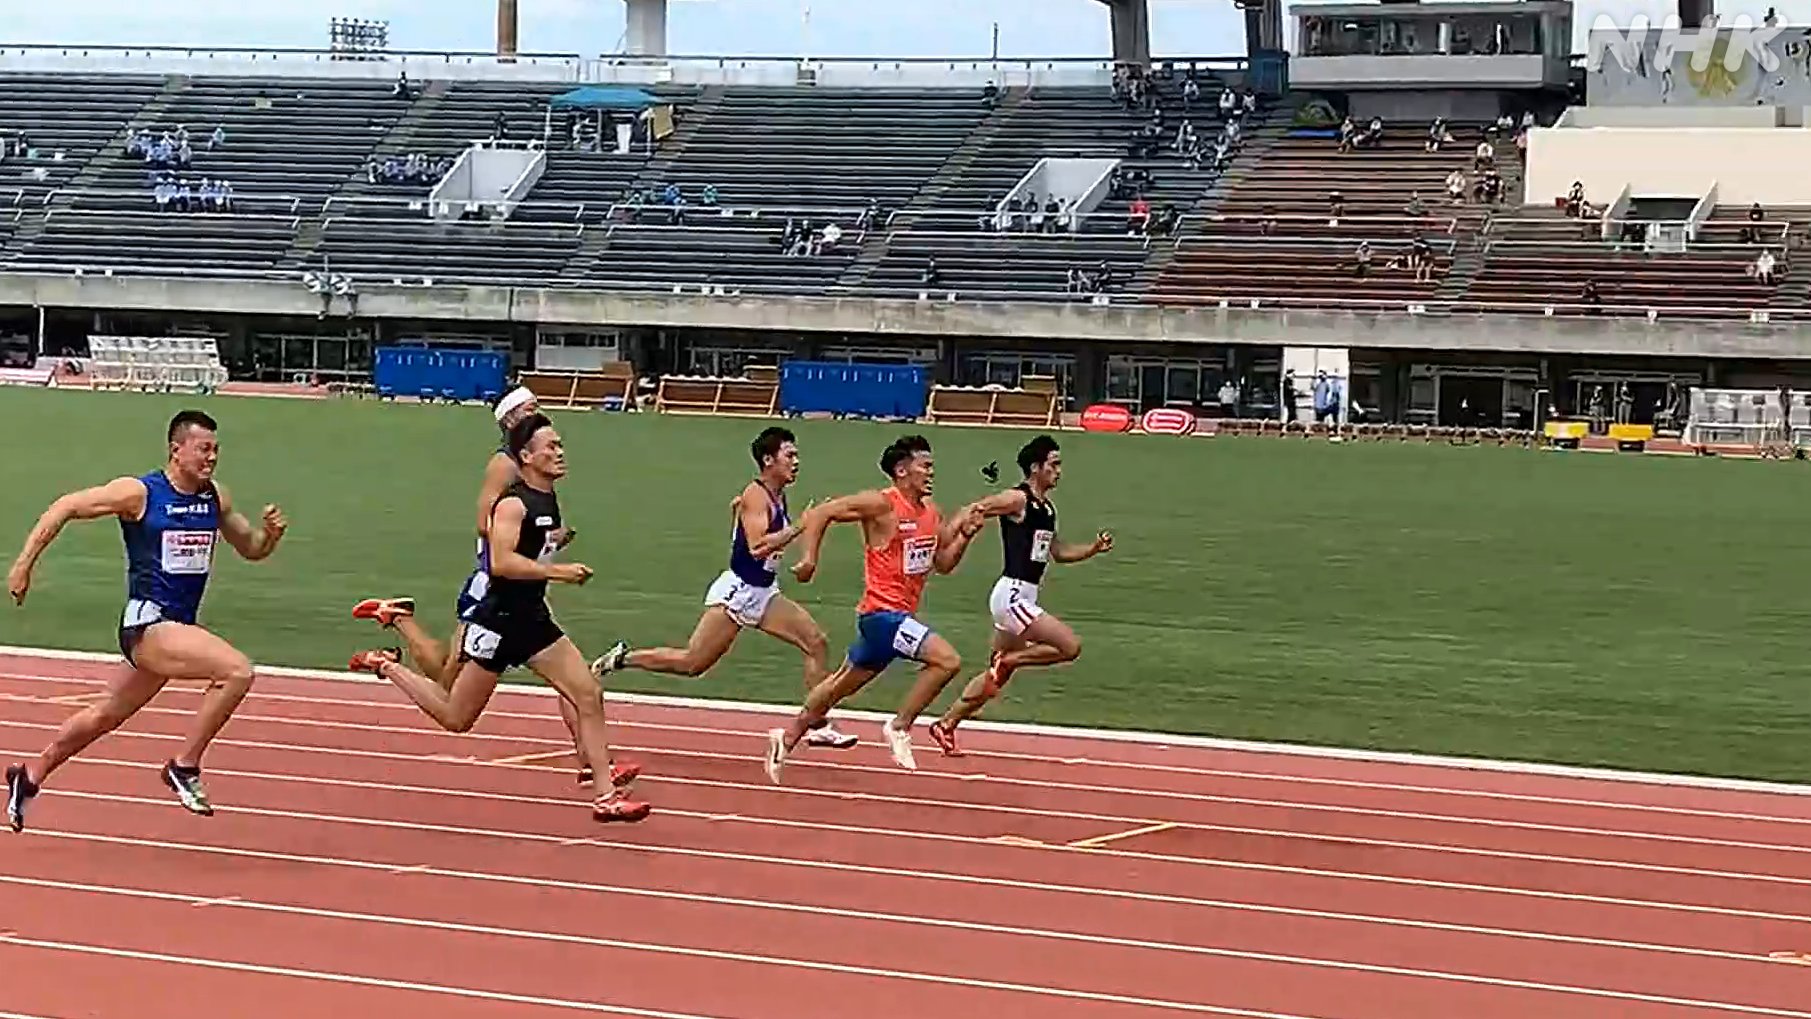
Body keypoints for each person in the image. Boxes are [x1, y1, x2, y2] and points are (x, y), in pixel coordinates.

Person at [349, 413, 649, 823]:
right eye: (550, 446)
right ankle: (385, 664)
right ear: (526, 456)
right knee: (456, 717)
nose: (559, 452)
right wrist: (557, 571)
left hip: (533, 620)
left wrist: (555, 541)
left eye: (560, 445)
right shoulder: (512, 503)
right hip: (498, 621)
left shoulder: (547, 500)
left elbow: (534, 543)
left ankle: (605, 795)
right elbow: (500, 562)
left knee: (588, 694)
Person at [5, 410, 289, 832]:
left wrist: (270, 536)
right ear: (177, 450)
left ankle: (28, 777)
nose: (211, 458)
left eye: (216, 450)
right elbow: (65, 506)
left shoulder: (215, 498)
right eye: (203, 449)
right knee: (236, 672)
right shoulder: (139, 493)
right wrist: (23, 565)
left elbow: (251, 548)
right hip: (148, 624)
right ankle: (184, 766)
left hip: (177, 628)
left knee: (105, 715)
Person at [590, 426, 858, 750]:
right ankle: (623, 658)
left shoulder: (775, 494)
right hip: (739, 593)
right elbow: (758, 546)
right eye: (790, 455)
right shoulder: (756, 494)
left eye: (796, 455)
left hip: (764, 591)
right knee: (692, 664)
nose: (796, 462)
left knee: (816, 642)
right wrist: (801, 525)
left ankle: (818, 723)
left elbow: (751, 532)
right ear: (768, 460)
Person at [762, 434, 982, 781]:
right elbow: (822, 513)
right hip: (880, 616)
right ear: (901, 470)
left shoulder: (931, 512)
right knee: (947, 660)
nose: (931, 472)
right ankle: (899, 726)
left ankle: (786, 738)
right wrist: (809, 559)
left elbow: (943, 563)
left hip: (899, 620)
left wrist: (965, 536)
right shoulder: (881, 504)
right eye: (925, 465)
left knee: (837, 687)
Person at [926, 435, 1112, 756]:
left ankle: (946, 724)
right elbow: (978, 507)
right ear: (1035, 468)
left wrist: (1093, 549)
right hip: (1013, 596)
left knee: (995, 676)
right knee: (1069, 647)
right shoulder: (1018, 499)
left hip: (1021, 597)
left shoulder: (1047, 509)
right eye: (1054, 464)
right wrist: (949, 535)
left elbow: (1060, 553)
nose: (1059, 471)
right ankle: (1010, 658)